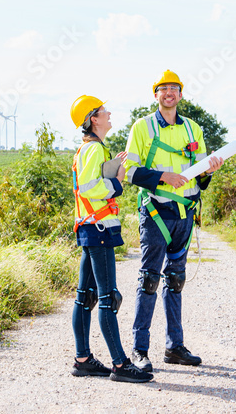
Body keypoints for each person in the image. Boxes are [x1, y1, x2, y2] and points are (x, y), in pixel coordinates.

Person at [124, 70, 223, 372]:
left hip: (185, 215)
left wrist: (209, 170)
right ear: (155, 95)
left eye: (174, 88)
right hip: (156, 212)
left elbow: (200, 174)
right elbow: (128, 171)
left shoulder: (193, 128)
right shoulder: (143, 127)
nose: (169, 93)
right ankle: (139, 350)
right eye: (163, 88)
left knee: (176, 281)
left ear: (181, 94)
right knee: (150, 280)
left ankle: (174, 347)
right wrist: (161, 177)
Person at [69, 94, 153, 384]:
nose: (108, 113)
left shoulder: (88, 149)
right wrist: (117, 180)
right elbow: (90, 188)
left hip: (89, 228)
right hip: (99, 229)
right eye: (104, 111)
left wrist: (113, 168)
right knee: (108, 298)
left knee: (85, 297)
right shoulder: (94, 149)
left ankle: (83, 360)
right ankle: (120, 364)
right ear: (93, 118)